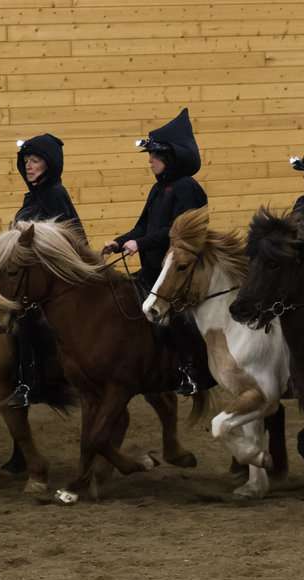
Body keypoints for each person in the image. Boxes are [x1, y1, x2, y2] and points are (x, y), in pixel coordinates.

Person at [103, 108, 215, 396]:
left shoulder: (186, 188)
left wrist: (140, 244)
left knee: (177, 317)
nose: (150, 161)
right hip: (154, 268)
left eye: (154, 156)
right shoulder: (160, 189)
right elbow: (143, 226)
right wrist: (121, 241)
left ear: (169, 158)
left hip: (178, 273)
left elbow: (174, 231)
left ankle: (194, 370)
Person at [6, 134, 87, 409]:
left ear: (48, 164)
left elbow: (73, 238)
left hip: (55, 279)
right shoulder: (34, 195)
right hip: (35, 278)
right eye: (26, 161)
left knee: (26, 324)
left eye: (35, 160)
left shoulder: (54, 194)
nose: (28, 166)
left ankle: (33, 385)